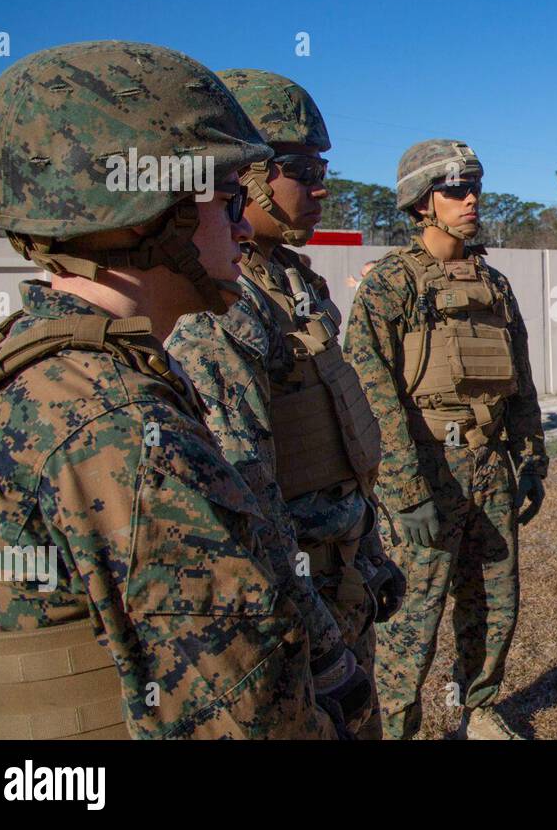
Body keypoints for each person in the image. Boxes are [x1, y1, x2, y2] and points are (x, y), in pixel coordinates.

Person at [0, 41, 335, 739]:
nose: (243, 224)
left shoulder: (34, 367)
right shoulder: (115, 424)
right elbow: (244, 714)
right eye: (225, 201)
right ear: (142, 214)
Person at [169, 69, 392, 739]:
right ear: (250, 174)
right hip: (296, 611)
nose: (321, 186)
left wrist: (372, 554)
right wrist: (319, 651)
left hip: (341, 581)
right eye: (302, 168)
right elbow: (247, 494)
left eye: (323, 168)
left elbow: (338, 438)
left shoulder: (295, 282)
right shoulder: (222, 299)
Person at [344, 139, 547, 740]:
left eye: (474, 187)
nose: (471, 199)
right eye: (455, 190)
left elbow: (522, 379)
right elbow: (370, 394)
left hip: (489, 467)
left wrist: (530, 459)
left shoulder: (496, 284)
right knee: (413, 618)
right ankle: (396, 728)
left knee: (493, 605)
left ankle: (479, 710)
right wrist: (406, 492)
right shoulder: (390, 286)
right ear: (420, 203)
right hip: (428, 470)